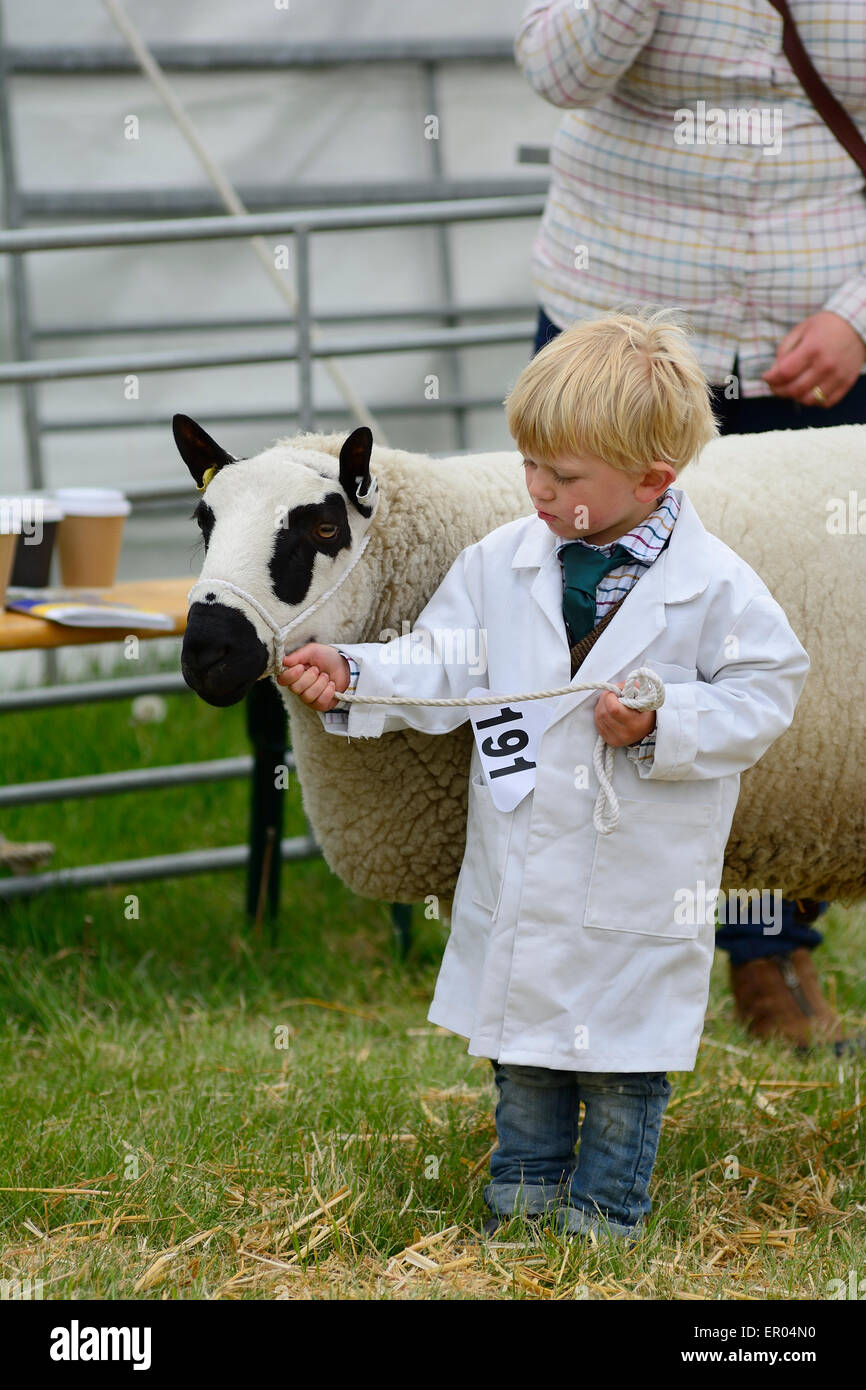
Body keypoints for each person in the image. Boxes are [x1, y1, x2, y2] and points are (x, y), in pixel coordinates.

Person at [277, 310, 809, 1244]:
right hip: (525, 859)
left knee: (620, 1063)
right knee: (523, 1055)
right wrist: (354, 671)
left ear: (654, 479)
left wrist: (665, 721)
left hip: (639, 874)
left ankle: (604, 1215)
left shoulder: (714, 585)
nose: (536, 489)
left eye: (562, 478)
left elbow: (768, 692)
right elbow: (444, 661)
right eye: (531, 465)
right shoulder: (501, 562)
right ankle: (519, 1208)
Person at [514, 0, 866, 1048]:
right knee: (597, 638)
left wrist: (858, 315)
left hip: (820, 348)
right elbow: (557, 69)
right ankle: (595, 942)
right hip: (612, 351)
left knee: (803, 658)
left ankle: (769, 949)